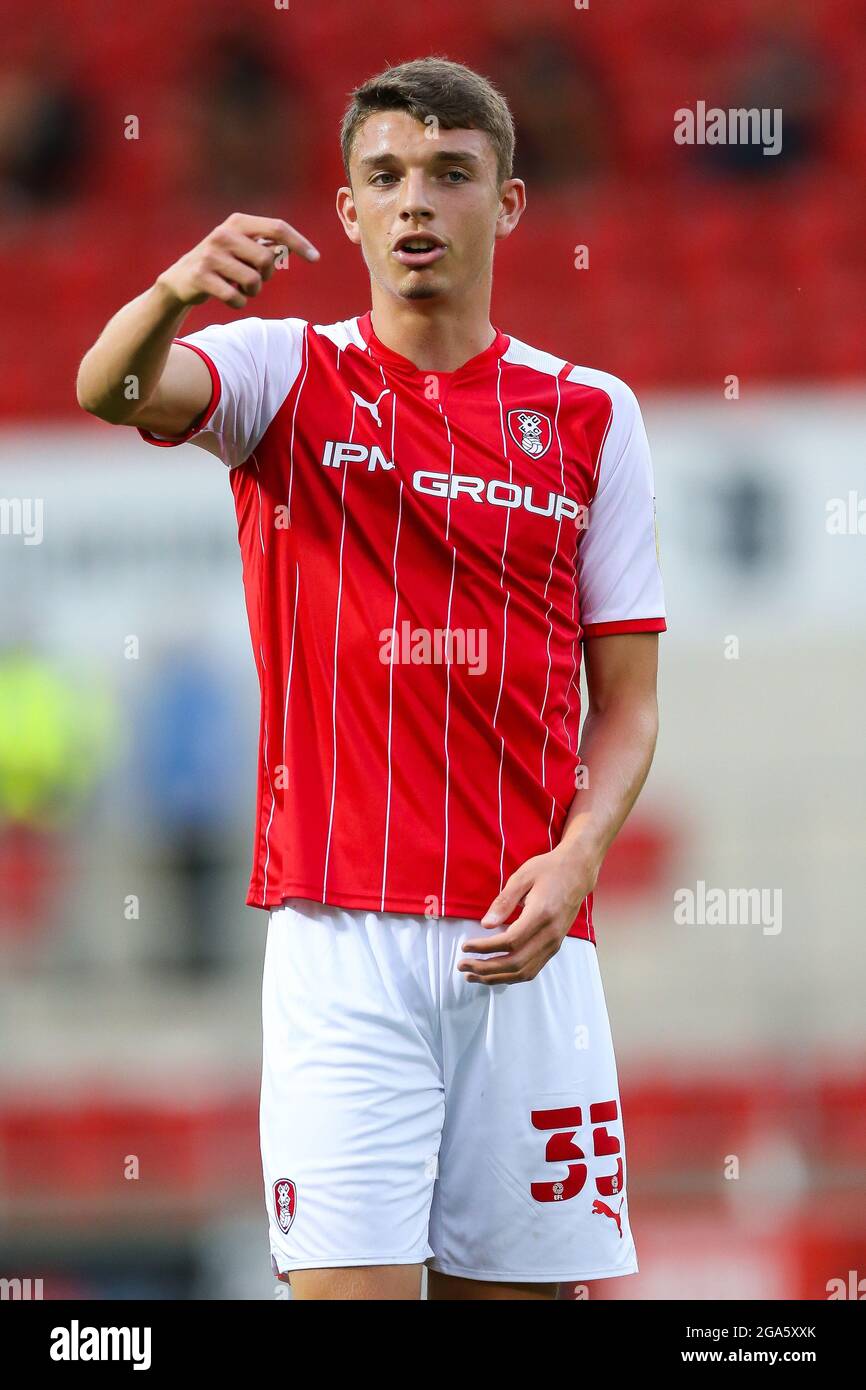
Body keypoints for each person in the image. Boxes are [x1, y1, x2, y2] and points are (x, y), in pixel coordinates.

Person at [76, 57, 666, 1302]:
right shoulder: (280, 372)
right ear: (345, 212)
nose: (415, 204)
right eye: (385, 176)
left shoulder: (591, 417)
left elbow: (627, 704)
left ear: (505, 205)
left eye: (449, 175)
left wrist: (576, 862)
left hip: (528, 943)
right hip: (339, 939)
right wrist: (178, 287)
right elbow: (113, 387)